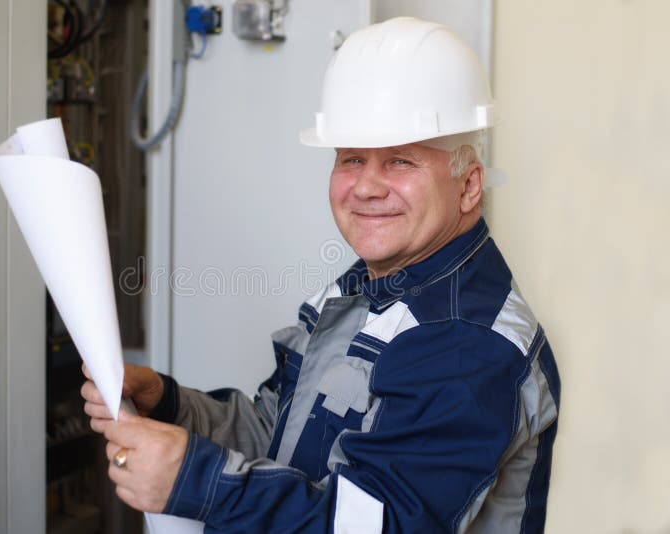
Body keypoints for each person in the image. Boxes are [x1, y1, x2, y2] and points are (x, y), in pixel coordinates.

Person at [81, 17, 560, 533]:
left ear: (468, 185)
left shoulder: (467, 344)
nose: (366, 187)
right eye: (351, 158)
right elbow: (278, 432)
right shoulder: (367, 287)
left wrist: (200, 482)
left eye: (401, 161)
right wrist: (171, 404)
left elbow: (383, 525)